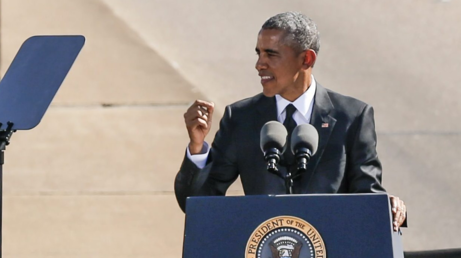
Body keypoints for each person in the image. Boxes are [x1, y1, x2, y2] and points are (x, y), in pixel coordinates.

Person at [174, 12, 408, 230]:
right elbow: (197, 204)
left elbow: (367, 196)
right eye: (259, 53)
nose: (259, 64)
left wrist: (388, 206)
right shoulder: (241, 118)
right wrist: (197, 148)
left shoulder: (352, 117)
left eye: (271, 54)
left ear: (306, 58)